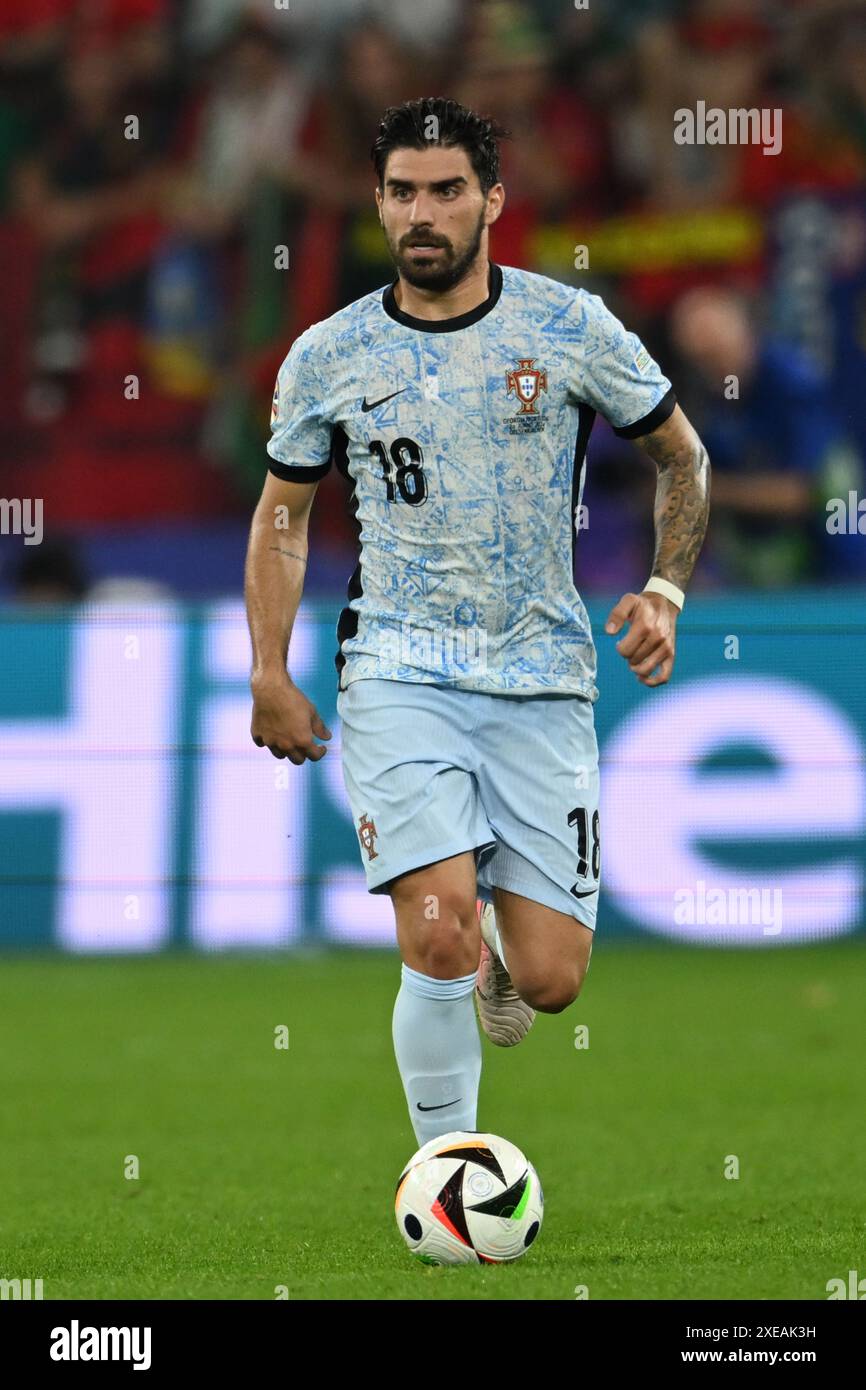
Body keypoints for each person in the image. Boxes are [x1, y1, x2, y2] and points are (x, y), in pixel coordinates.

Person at [244, 98, 710, 1150]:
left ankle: (510, 942)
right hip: (397, 669)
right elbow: (282, 515)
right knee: (438, 930)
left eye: (446, 189)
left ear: (491, 199)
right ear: (376, 202)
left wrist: (665, 588)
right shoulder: (329, 354)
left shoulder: (567, 327)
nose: (423, 212)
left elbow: (680, 455)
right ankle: (448, 1174)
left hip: (542, 674)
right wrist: (267, 670)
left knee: (550, 980)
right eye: (402, 191)